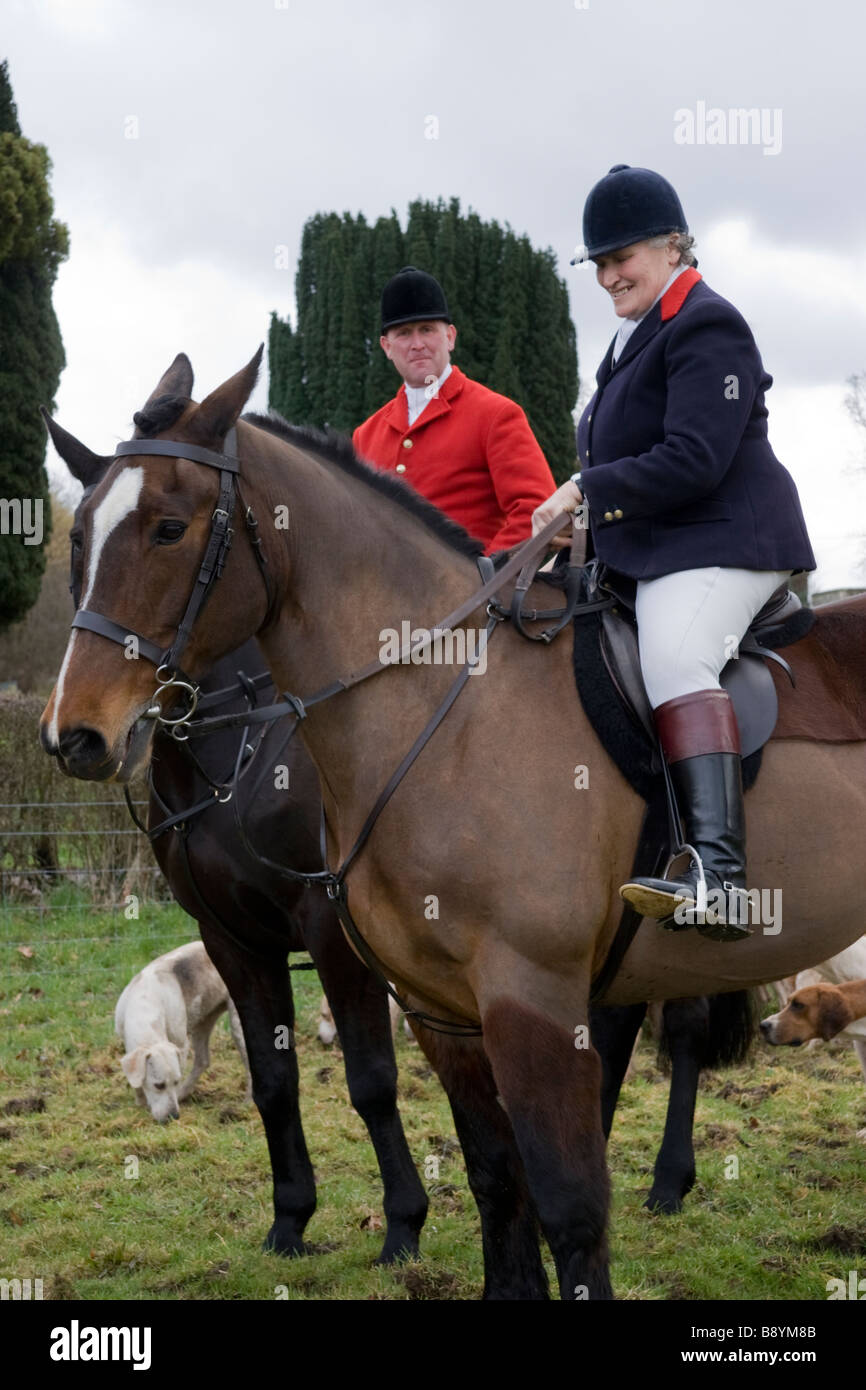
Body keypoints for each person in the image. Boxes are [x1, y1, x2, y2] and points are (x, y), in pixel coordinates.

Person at [532, 165, 815, 941]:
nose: (608, 274)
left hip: (731, 538)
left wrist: (586, 490)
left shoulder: (706, 324)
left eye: (622, 257)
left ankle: (721, 876)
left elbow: (694, 458)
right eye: (598, 262)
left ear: (673, 246)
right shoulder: (632, 337)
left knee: (677, 656)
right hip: (662, 544)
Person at [353, 266, 556, 554]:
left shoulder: (496, 414)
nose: (417, 344)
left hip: (477, 595)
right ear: (386, 346)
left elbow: (536, 511)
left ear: (450, 336)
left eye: (427, 329)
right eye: (404, 333)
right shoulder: (366, 435)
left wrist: (483, 581)